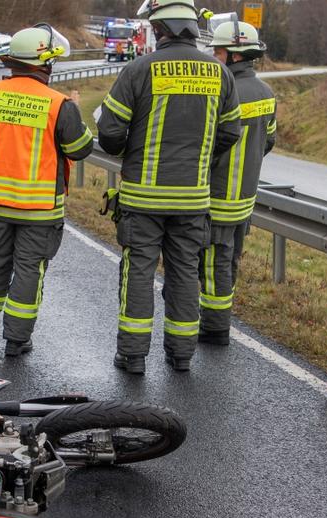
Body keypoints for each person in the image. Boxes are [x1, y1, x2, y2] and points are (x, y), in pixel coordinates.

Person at [96, 0, 241, 374]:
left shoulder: (138, 69)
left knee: (138, 273)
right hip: (193, 199)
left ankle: (132, 356)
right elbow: (230, 132)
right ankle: (181, 354)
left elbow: (110, 132)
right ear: (192, 29)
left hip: (142, 199)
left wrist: (130, 150)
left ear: (158, 30)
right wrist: (200, 160)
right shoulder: (221, 74)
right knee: (184, 274)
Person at [0, 24, 94, 357]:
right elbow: (79, 149)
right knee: (28, 273)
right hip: (39, 211)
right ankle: (16, 341)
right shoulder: (59, 104)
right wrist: (76, 111)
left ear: (12, 61)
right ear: (46, 64)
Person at [199, 19, 277, 346]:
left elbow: (206, 143)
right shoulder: (266, 93)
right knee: (229, 261)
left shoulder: (221, 91)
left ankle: (215, 329)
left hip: (216, 197)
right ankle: (220, 318)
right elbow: (269, 142)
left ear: (233, 55)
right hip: (245, 200)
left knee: (214, 263)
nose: (214, 57)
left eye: (217, 52)